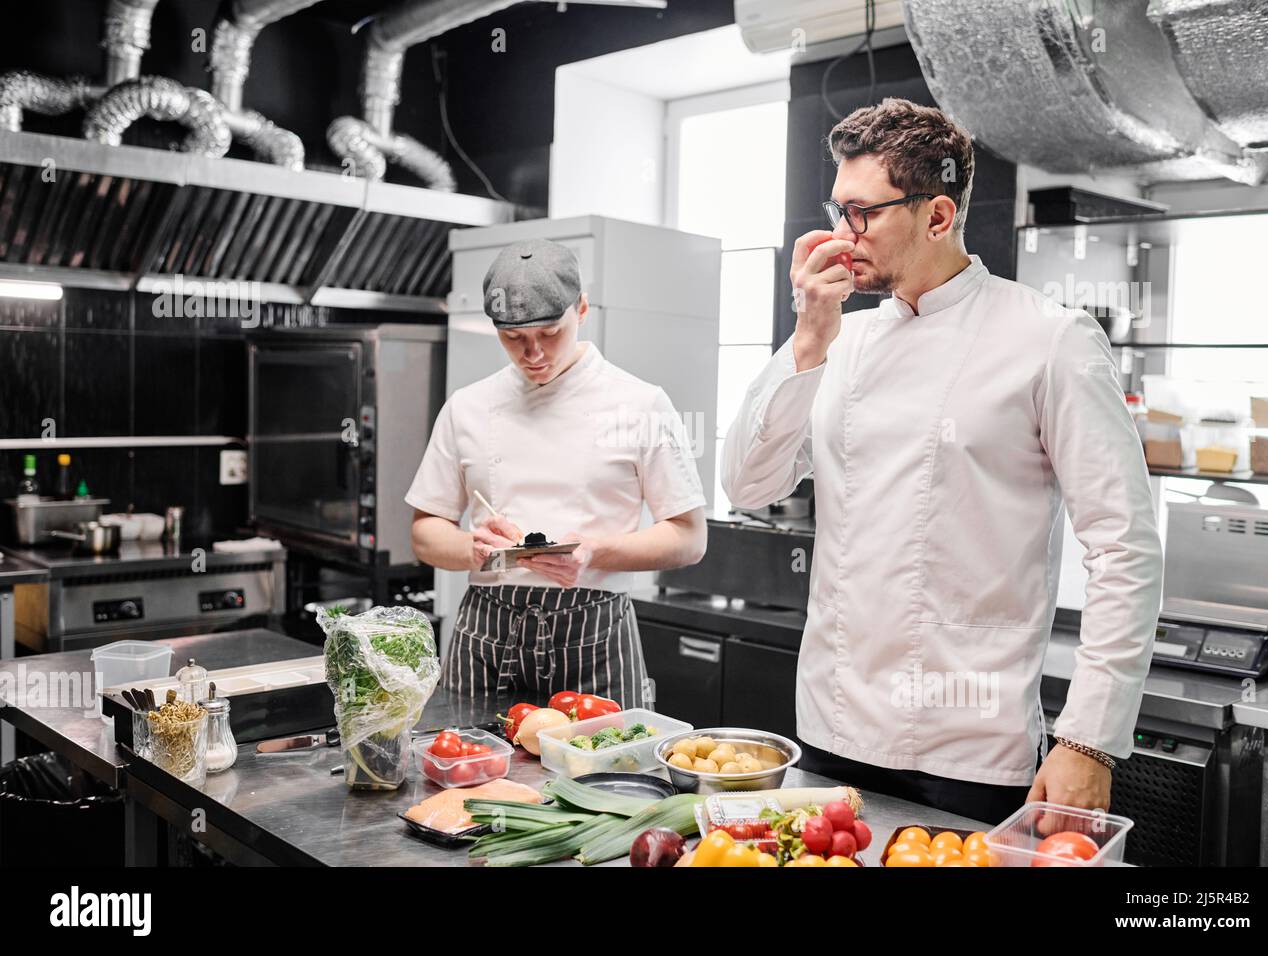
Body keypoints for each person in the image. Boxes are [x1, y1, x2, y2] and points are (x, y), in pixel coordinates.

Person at [722, 98, 1163, 824]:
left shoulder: (1049, 340)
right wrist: (807, 339)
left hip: (970, 748)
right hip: (832, 729)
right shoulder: (842, 340)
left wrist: (1089, 740)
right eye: (837, 209)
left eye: (862, 213)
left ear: (936, 215)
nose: (842, 234)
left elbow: (1124, 549)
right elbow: (747, 481)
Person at [407, 238, 708, 708]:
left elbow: (690, 539)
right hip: (486, 630)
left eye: (549, 333)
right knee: (470, 776)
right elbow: (425, 532)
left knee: (606, 774)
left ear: (582, 308)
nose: (533, 354)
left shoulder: (641, 404)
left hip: (595, 633)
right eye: (514, 338)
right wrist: (474, 548)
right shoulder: (467, 407)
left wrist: (594, 552)